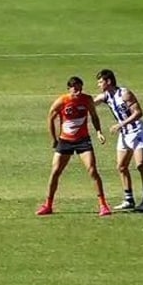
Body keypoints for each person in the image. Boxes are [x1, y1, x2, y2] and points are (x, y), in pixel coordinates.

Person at [37, 76, 110, 217]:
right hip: (65, 141)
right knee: (55, 171)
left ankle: (103, 205)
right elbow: (50, 118)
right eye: (74, 88)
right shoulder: (62, 101)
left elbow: (94, 116)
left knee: (92, 170)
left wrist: (99, 132)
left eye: (79, 87)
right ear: (69, 88)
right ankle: (48, 205)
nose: (77, 90)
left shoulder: (87, 99)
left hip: (83, 140)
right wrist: (54, 138)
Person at [95, 69, 143, 211]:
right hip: (125, 134)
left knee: (140, 165)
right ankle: (129, 199)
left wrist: (120, 124)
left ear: (108, 82)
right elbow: (90, 102)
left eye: (100, 81)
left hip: (137, 131)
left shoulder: (124, 93)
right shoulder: (106, 96)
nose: (98, 84)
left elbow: (138, 112)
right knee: (121, 167)